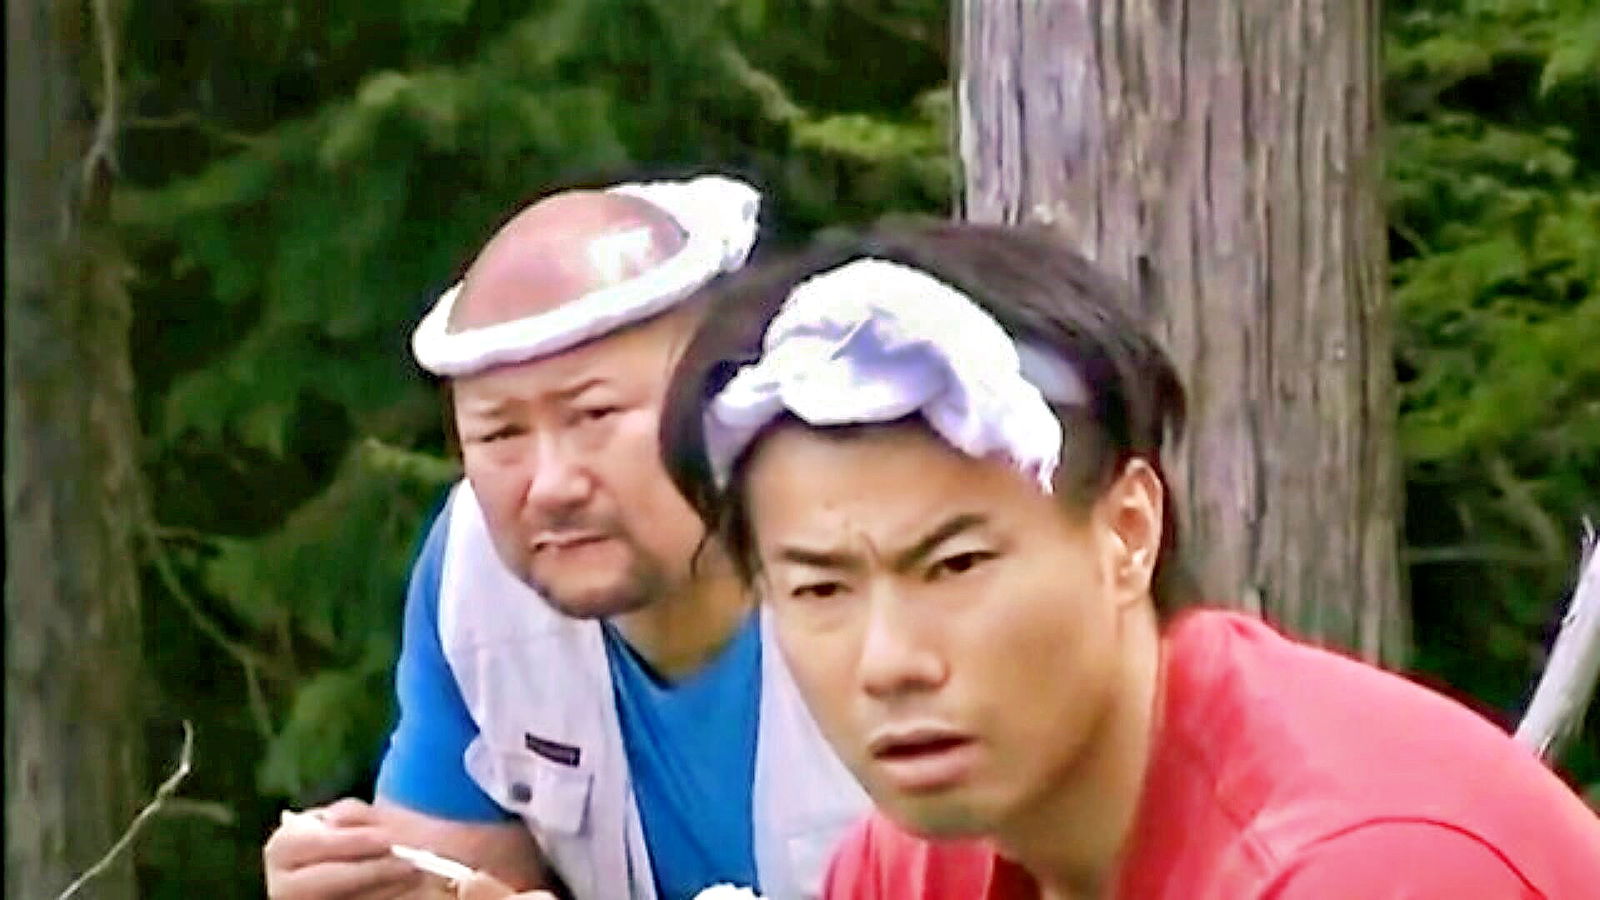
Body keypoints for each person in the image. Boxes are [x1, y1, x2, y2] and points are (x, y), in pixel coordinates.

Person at [658, 222, 1600, 899]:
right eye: (821, 587)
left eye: (955, 566)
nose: (891, 660)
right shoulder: (914, 866)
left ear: (1128, 532)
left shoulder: (1368, 867)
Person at [263, 175, 865, 900]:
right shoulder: (471, 577)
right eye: (501, 433)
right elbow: (451, 874)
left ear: (723, 394)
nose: (550, 484)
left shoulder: (878, 558)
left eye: (593, 415)